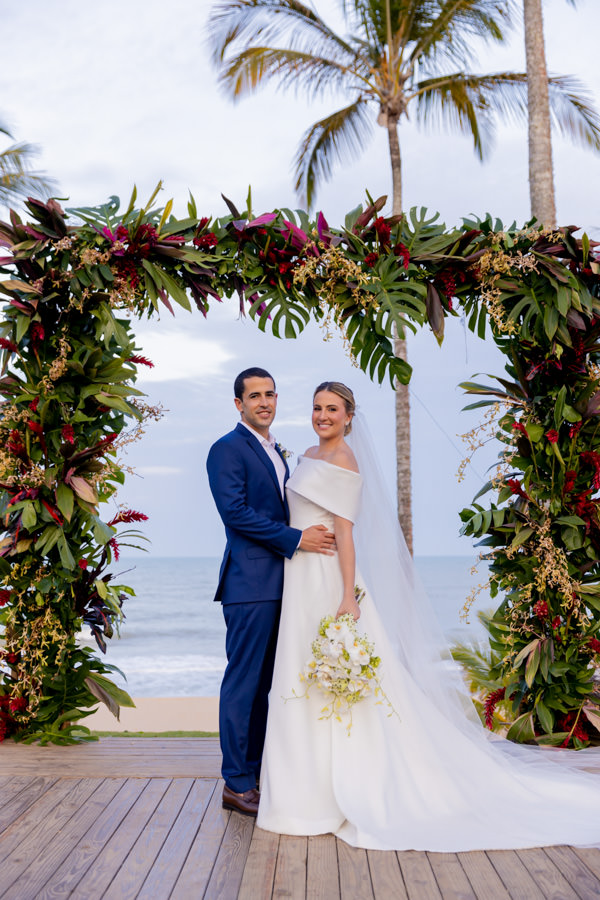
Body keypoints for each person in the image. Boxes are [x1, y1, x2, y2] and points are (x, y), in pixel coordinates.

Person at [257, 381, 600, 851]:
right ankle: (304, 794)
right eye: (317, 408)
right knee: (302, 679)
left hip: (327, 583)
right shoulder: (307, 455)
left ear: (349, 416)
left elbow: (347, 535)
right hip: (299, 578)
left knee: (340, 683)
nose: (322, 415)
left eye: (332, 409)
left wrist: (348, 597)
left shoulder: (343, 461)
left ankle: (344, 792)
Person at [206, 367, 336, 817]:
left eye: (270, 394)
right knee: (243, 684)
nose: (264, 402)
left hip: (284, 584)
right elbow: (236, 513)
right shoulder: (226, 449)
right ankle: (236, 783)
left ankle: (257, 773)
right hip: (250, 583)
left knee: (267, 685)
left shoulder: (275, 450)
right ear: (238, 404)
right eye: (254, 396)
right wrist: (297, 538)